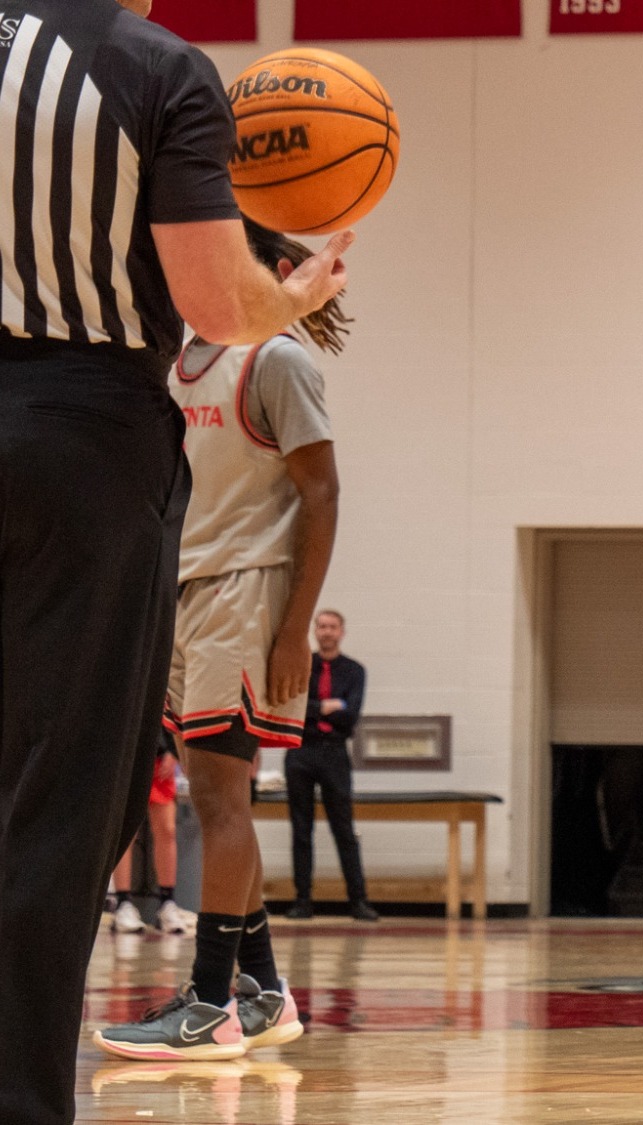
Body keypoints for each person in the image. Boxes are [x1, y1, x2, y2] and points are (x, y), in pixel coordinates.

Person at [0, 0, 350, 1118]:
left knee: (210, 787)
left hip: (214, 566)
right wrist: (286, 294)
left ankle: (235, 982)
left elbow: (320, 484)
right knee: (61, 809)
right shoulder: (152, 69)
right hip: (80, 443)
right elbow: (211, 298)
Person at [96, 219, 348, 1063]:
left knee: (218, 798)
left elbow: (322, 493)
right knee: (212, 794)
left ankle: (209, 1003)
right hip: (186, 594)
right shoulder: (179, 363)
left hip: (250, 590)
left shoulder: (277, 358)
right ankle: (263, 990)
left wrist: (294, 628)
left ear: (275, 272)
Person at [285, 609, 376, 922]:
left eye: (332, 627)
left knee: (344, 828)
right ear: (314, 630)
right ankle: (302, 901)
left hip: (334, 753)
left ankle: (359, 901)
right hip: (300, 751)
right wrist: (327, 706)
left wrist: (317, 710)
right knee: (301, 829)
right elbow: (291, 707)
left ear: (341, 632)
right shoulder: (301, 665)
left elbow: (351, 716)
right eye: (321, 626)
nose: (326, 632)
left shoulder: (354, 671)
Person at [106, 732, 196, 935]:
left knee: (167, 829)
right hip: (128, 753)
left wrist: (173, 751)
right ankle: (123, 904)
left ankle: (167, 903)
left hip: (160, 754)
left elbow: (171, 705)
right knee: (126, 831)